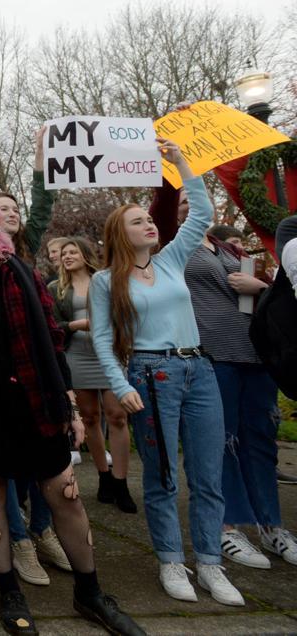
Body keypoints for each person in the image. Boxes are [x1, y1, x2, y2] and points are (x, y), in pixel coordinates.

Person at [0, 188, 143, 636]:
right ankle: (9, 591)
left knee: (65, 492)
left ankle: (90, 592)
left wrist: (71, 406)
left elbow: (53, 342)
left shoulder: (24, 273)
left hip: (37, 400)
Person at [89, 139, 246, 606]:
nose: (149, 224)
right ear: (121, 234)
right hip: (149, 375)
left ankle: (211, 563)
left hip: (199, 370)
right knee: (162, 476)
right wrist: (120, 385)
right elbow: (102, 338)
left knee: (207, 474)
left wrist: (180, 162)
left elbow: (200, 213)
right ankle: (172, 561)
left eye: (150, 218)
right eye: (138, 221)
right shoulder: (105, 280)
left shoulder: (172, 259)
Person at [149, 182, 297, 570]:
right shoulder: (172, 245)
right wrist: (172, 172)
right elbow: (163, 210)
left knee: (261, 442)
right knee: (221, 443)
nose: (189, 204)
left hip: (253, 356)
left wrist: (259, 286)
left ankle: (271, 524)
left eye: (195, 198)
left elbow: (266, 298)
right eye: (183, 200)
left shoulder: (232, 250)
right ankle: (227, 526)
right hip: (212, 358)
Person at [0, 128, 71, 584]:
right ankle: (19, 539)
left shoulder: (26, 249)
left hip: (35, 363)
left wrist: (41, 156)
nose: (10, 214)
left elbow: (43, 204)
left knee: (47, 448)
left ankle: (43, 529)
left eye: (13, 209)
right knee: (3, 457)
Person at [48, 237, 136, 513]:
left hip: (108, 354)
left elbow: (125, 313)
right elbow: (53, 326)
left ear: (85, 254)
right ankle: (104, 477)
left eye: (72, 252)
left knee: (117, 415)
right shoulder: (56, 288)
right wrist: (76, 324)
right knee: (90, 418)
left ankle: (121, 482)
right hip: (77, 356)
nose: (67, 256)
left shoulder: (107, 281)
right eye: (64, 253)